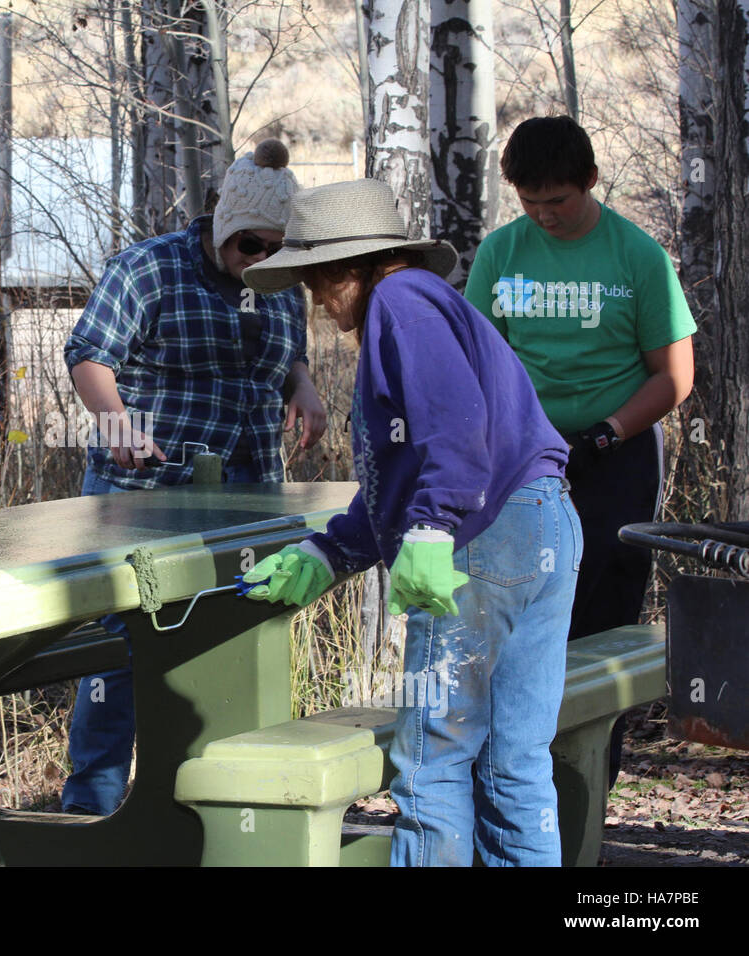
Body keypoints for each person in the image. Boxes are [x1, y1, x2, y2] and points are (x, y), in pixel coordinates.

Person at [241, 178, 581, 866]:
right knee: (516, 762)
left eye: (314, 278)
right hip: (541, 523)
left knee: (433, 760)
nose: (313, 297)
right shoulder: (429, 304)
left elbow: (455, 431)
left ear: (348, 267)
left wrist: (432, 530)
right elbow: (410, 469)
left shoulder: (400, 301)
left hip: (478, 543)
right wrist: (331, 553)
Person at [59, 139, 325, 816]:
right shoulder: (148, 269)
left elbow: (287, 354)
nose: (259, 261)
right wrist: (115, 422)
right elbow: (91, 354)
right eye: (248, 247)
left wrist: (304, 386)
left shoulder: (280, 284)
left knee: (232, 652)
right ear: (219, 225)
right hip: (144, 497)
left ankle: (213, 813)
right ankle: (91, 807)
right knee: (115, 659)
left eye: (274, 248)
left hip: (247, 497)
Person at [463, 116, 695, 779]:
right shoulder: (501, 254)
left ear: (590, 181)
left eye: (557, 201)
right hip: (525, 460)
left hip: (612, 459)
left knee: (599, 624)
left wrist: (606, 432)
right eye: (530, 203)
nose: (545, 217)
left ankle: (590, 790)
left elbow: (674, 375)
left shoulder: (637, 256)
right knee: (520, 620)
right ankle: (515, 787)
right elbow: (481, 361)